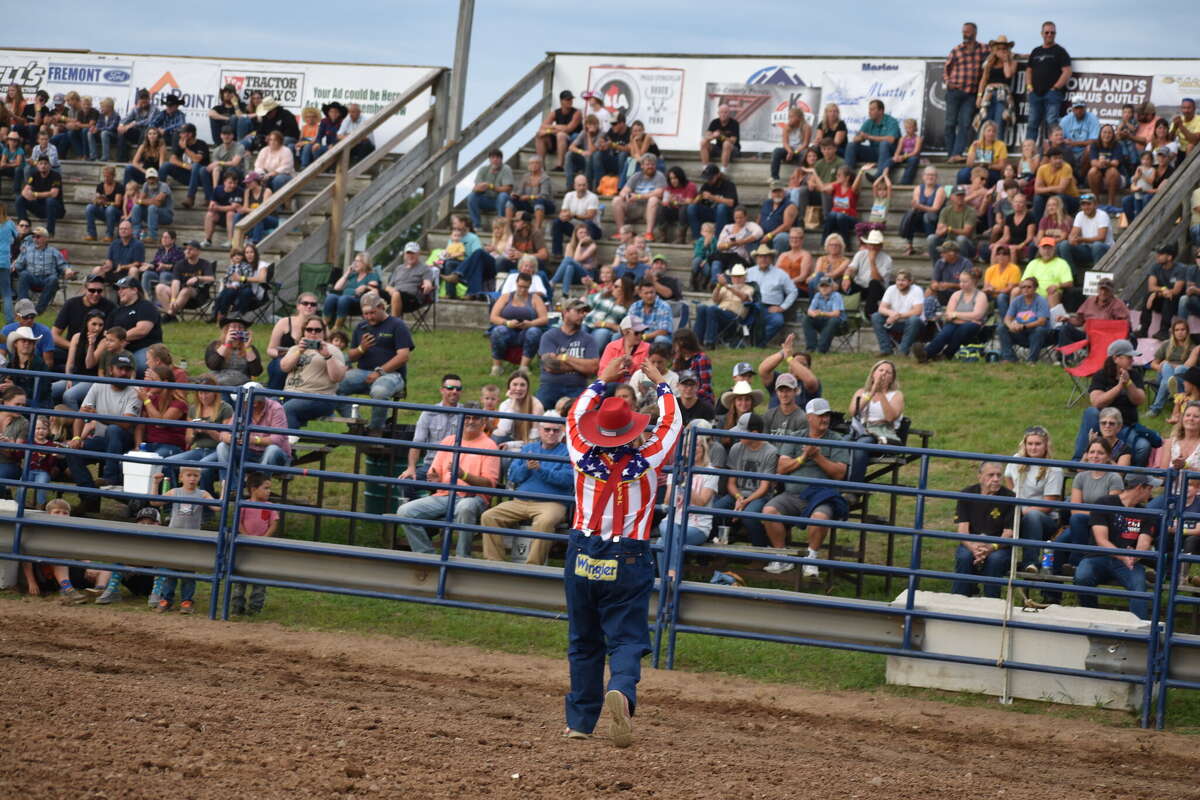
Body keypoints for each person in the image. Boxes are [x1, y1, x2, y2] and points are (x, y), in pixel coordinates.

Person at [561, 353, 680, 746]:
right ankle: (623, 691)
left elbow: (575, 415)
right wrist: (659, 381)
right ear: (632, 430)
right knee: (627, 637)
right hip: (628, 554)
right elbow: (672, 422)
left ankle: (580, 721)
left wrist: (602, 380)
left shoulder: (581, 454)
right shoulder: (647, 461)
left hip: (583, 549)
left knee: (584, 639)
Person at [761, 398, 850, 577]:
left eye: (827, 415)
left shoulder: (837, 439)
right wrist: (804, 456)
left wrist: (817, 457)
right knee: (768, 511)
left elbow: (840, 473)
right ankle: (781, 556)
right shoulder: (795, 437)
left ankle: (811, 558)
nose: (824, 419)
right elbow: (781, 468)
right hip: (792, 494)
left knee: (820, 518)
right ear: (809, 417)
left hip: (822, 496)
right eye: (820, 416)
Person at [395, 402, 499, 558]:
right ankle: (426, 556)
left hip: (474, 498)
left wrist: (463, 476)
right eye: (466, 417)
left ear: (483, 421)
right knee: (404, 512)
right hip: (445, 495)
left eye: (475, 418)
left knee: (465, 507)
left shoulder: (490, 446)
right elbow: (435, 477)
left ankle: (462, 558)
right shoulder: (449, 441)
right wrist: (434, 480)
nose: (470, 421)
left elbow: (489, 484)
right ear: (460, 420)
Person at [481, 414, 573, 565]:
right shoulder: (528, 448)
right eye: (547, 429)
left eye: (555, 430)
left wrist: (540, 470)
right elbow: (513, 477)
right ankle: (494, 563)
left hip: (552, 503)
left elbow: (566, 480)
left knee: (545, 521)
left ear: (561, 432)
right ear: (540, 430)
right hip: (521, 500)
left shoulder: (567, 452)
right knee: (489, 516)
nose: (551, 433)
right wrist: (526, 467)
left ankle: (533, 566)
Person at [1073, 474, 1160, 620]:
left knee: (1139, 586)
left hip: (1128, 561)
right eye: (1149, 488)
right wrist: (1124, 556)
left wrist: (1135, 556)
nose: (1151, 493)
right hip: (1099, 557)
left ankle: (1139, 629)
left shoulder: (1147, 513)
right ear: (1140, 488)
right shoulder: (1104, 503)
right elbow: (1101, 540)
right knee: (1082, 577)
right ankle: (1091, 617)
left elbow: (1144, 542)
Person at [63, 352, 139, 513]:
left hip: (125, 442)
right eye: (120, 369)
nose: (124, 373)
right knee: (72, 450)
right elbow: (81, 414)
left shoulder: (134, 391)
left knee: (114, 430)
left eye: (127, 370)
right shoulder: (98, 385)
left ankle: (109, 478)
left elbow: (126, 424)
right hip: (102, 440)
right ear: (111, 369)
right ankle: (90, 497)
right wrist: (76, 437)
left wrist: (98, 416)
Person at [337, 292, 413, 434]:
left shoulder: (397, 325)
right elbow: (351, 357)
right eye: (365, 314)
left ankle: (375, 430)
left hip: (391, 375)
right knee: (331, 386)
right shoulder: (361, 327)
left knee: (380, 392)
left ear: (382, 307)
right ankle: (357, 425)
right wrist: (361, 349)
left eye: (372, 313)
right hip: (362, 372)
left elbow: (403, 357)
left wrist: (379, 372)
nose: (369, 317)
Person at [1073, 340, 1152, 466]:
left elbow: (1140, 400)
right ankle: (1078, 461)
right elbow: (1096, 402)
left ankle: (1131, 477)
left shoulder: (1134, 375)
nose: (1132, 360)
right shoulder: (1101, 375)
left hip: (1125, 425)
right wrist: (1119, 387)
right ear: (1116, 358)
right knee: (1091, 412)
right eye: (1129, 357)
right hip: (1105, 426)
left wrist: (1129, 383)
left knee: (1143, 446)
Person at [951, 461, 1017, 597]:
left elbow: (1008, 533)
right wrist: (974, 548)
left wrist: (990, 548)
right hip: (971, 542)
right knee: (964, 557)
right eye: (991, 475)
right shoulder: (967, 494)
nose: (996, 479)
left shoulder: (1010, 497)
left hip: (999, 546)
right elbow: (962, 531)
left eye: (999, 475)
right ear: (979, 476)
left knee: (995, 560)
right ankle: (959, 600)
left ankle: (991, 603)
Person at [1003, 425, 1064, 572]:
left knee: (1033, 516)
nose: (1033, 448)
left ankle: (1030, 563)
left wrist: (1023, 511)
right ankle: (998, 560)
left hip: (1045, 519)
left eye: (1038, 444)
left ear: (1045, 445)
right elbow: (1008, 477)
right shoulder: (1016, 459)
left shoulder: (1054, 469)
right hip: (1018, 513)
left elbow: (1048, 504)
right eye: (1030, 444)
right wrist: (1014, 498)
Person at [278, 316, 347, 430]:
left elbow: (337, 377)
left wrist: (327, 356)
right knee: (266, 405)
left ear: (324, 332)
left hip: (320, 398)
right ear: (304, 332)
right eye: (309, 330)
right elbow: (284, 367)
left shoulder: (332, 350)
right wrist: (299, 352)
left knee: (287, 409)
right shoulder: (295, 348)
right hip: (289, 395)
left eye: (317, 330)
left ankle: (287, 446)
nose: (313, 333)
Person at [228, 472, 279, 616]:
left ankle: (255, 607)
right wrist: (246, 537)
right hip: (244, 545)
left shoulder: (270, 506)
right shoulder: (244, 504)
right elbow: (238, 522)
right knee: (240, 577)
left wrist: (264, 539)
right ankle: (237, 606)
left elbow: (273, 524)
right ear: (253, 489)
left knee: (260, 579)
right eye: (266, 488)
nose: (269, 491)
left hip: (261, 547)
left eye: (269, 488)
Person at [537, 299, 601, 410]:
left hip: (577, 388)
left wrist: (564, 357)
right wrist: (580, 366)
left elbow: (593, 368)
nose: (582, 315)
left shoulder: (589, 340)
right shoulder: (549, 336)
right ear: (565, 312)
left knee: (583, 414)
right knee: (536, 412)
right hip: (550, 387)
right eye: (578, 311)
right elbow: (550, 365)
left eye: (584, 312)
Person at [916, 267, 988, 362]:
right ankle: (926, 354)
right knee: (945, 333)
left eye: (965, 282)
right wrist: (963, 317)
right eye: (960, 281)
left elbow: (977, 315)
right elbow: (949, 315)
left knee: (965, 328)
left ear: (974, 281)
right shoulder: (956, 295)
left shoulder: (981, 296)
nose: (961, 284)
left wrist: (956, 315)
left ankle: (946, 355)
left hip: (972, 327)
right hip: (956, 323)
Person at [943, 22, 989, 163]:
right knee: (949, 124)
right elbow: (946, 69)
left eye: (967, 32)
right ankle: (951, 154)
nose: (965, 34)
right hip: (954, 92)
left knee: (965, 123)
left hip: (971, 93)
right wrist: (947, 81)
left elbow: (999, 53)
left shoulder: (983, 49)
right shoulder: (956, 50)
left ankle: (957, 153)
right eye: (963, 31)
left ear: (975, 33)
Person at [488, 271, 549, 376]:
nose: (522, 290)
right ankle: (497, 367)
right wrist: (507, 323)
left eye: (526, 287)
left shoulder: (535, 298)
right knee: (498, 331)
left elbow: (544, 318)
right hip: (508, 329)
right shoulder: (506, 297)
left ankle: (523, 367)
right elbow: (493, 317)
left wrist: (531, 323)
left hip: (527, 330)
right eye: (520, 286)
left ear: (530, 286)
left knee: (534, 332)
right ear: (516, 283)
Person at [105, 276, 162, 376]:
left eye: (123, 288)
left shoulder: (145, 306)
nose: (119, 292)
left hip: (144, 348)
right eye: (118, 289)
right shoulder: (116, 311)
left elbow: (142, 330)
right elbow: (107, 332)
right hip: (119, 350)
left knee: (140, 365)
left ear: (134, 290)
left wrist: (118, 339)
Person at [1025, 21, 1072, 143]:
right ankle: (1028, 154)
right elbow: (1028, 71)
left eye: (1052, 32)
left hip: (1052, 94)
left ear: (1055, 34)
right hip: (1035, 93)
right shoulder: (1035, 51)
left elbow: (1067, 71)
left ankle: (1052, 151)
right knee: (1032, 123)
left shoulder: (1060, 51)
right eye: (1047, 32)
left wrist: (1055, 87)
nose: (1049, 35)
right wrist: (1029, 86)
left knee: (1051, 122)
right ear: (1042, 33)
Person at [12, 225, 74, 314]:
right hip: (32, 278)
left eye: (38, 237)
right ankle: (24, 308)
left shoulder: (53, 251)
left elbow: (63, 264)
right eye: (33, 237)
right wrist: (16, 262)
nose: (35, 239)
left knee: (53, 279)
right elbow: (19, 266)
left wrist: (67, 270)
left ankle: (38, 310)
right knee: (24, 274)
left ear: (45, 238)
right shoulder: (27, 250)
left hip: (48, 280)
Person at [745, 244, 798, 347]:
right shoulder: (748, 272)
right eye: (760, 256)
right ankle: (753, 342)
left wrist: (782, 307)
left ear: (771, 258)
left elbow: (793, 291)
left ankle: (759, 343)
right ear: (756, 258)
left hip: (771, 308)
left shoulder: (780, 274)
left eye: (766, 256)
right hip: (752, 306)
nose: (763, 259)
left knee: (778, 321)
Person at [1055, 276, 1129, 348]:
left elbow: (1124, 325)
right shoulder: (1090, 300)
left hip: (1105, 338)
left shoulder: (1118, 304)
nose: (1103, 293)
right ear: (1097, 290)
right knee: (1065, 329)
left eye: (1106, 290)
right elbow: (1079, 320)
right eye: (1101, 289)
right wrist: (1067, 319)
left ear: (1111, 292)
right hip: (1086, 335)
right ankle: (1064, 358)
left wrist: (1103, 326)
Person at [323, 251, 381, 330]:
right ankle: (324, 325)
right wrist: (347, 273)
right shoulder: (353, 275)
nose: (355, 263)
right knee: (331, 297)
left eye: (358, 261)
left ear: (365, 263)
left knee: (343, 299)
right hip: (344, 301)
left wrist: (366, 287)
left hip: (359, 302)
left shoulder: (372, 275)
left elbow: (375, 292)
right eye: (355, 261)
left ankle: (336, 328)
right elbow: (337, 287)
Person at [1149, 320, 1196, 417]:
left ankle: (1155, 409)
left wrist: (1170, 364)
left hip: (1182, 378)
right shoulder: (1166, 344)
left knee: (1178, 370)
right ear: (1173, 332)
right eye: (1177, 330)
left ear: (1187, 331)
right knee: (1166, 368)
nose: (1180, 332)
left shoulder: (1192, 347)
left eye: (1183, 329)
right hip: (1165, 373)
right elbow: (1153, 364)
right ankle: (1172, 389)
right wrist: (1161, 367)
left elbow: (1189, 368)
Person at [998, 277, 1050, 363]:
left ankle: (1031, 360)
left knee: (1039, 330)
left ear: (1035, 288)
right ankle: (1010, 358)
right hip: (1021, 332)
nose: (1025, 289)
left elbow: (1042, 321)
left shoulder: (1041, 301)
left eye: (1029, 287)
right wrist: (1011, 326)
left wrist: (1024, 326)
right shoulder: (1017, 300)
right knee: (1002, 328)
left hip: (1038, 334)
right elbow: (1007, 319)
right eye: (1023, 287)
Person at [844, 100, 900, 179]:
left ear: (881, 111)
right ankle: (847, 176)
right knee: (851, 145)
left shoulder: (891, 121)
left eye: (872, 109)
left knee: (884, 144)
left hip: (889, 154)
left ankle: (879, 176)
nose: (869, 112)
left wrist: (869, 137)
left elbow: (891, 139)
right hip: (874, 152)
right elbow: (855, 139)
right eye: (869, 109)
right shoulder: (868, 122)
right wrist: (860, 138)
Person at [1059, 193, 1112, 274]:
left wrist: (1081, 239)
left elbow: (1101, 238)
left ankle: (1096, 276)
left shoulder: (1102, 215)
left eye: (1089, 204)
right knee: (1064, 245)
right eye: (1083, 205)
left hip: (1105, 249)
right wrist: (1071, 239)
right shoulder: (1080, 215)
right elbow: (1073, 234)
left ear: (1095, 204)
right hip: (1087, 249)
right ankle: (1072, 276)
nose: (1086, 207)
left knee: (1097, 245)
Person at [978, 35, 1018, 140]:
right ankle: (982, 152)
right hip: (988, 94)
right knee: (984, 121)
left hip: (1003, 95)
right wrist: (979, 96)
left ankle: (997, 153)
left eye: (1004, 48)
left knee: (999, 122)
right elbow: (983, 80)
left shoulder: (1012, 61)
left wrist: (1005, 60)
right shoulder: (989, 62)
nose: (1001, 50)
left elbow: (1008, 75)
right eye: (998, 48)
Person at [899, 167, 946, 257]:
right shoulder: (918, 188)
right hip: (921, 221)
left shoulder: (940, 190)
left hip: (935, 221)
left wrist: (919, 206)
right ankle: (909, 246)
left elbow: (935, 208)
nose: (930, 177)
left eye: (933, 175)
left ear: (936, 177)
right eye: (928, 175)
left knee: (927, 216)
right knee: (911, 214)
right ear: (923, 177)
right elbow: (916, 206)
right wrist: (917, 207)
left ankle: (930, 247)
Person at [553, 174, 602, 259]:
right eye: (579, 185)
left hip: (593, 229)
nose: (582, 187)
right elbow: (564, 212)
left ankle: (586, 254)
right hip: (575, 229)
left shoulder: (593, 197)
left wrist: (573, 215)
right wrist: (563, 216)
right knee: (557, 222)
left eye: (584, 185)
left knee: (588, 223)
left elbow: (590, 215)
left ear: (587, 185)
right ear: (574, 186)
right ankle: (557, 253)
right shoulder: (569, 195)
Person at [205, 317, 264, 386]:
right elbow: (212, 366)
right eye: (234, 327)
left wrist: (247, 348)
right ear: (226, 330)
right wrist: (226, 344)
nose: (237, 330)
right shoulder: (215, 345)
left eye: (240, 327)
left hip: (241, 385)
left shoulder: (250, 348)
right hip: (219, 384)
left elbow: (256, 372)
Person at [686, 164, 738, 241]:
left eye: (711, 178)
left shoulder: (729, 185)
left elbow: (731, 202)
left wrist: (712, 197)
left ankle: (718, 239)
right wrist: (697, 199)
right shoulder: (706, 186)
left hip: (726, 214)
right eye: (707, 179)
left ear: (718, 175)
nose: (709, 181)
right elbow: (694, 203)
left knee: (721, 207)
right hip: (711, 212)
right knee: (691, 208)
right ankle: (698, 239)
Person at [15, 156, 63, 235]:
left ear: (50, 166)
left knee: (50, 200)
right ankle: (24, 227)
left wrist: (35, 194)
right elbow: (24, 191)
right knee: (20, 199)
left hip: (56, 210)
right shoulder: (34, 175)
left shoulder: (56, 176)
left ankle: (49, 232)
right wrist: (28, 194)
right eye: (41, 164)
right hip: (41, 209)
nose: (43, 166)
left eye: (45, 164)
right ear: (37, 166)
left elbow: (54, 194)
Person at [927, 186, 976, 263]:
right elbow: (938, 231)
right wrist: (941, 231)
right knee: (931, 238)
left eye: (962, 195)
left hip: (968, 244)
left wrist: (949, 229)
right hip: (948, 242)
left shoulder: (971, 211)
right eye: (958, 195)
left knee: (961, 239)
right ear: (951, 197)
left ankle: (964, 267)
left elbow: (967, 232)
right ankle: (937, 266)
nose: (960, 197)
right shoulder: (945, 210)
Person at [468, 148, 514, 230]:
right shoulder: (483, 169)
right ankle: (476, 226)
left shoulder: (506, 168)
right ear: (489, 159)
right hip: (486, 200)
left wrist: (491, 186)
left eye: (497, 157)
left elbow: (508, 188)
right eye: (492, 157)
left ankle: (500, 226)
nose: (495, 160)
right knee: (472, 196)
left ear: (501, 159)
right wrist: (479, 188)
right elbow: (475, 188)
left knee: (503, 196)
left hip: (499, 201)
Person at [1022, 238, 1073, 310]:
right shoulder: (1033, 263)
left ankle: (1054, 320)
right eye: (1044, 248)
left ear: (1054, 249)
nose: (1046, 251)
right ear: (1039, 249)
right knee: (1016, 291)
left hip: (1052, 293)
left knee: (1053, 294)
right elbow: (1023, 281)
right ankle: (1013, 318)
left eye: (1049, 248)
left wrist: (1057, 285)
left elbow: (1069, 283)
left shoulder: (1062, 263)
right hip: (1033, 293)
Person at [506, 154, 554, 229]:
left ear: (541, 165)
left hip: (546, 205)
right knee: (511, 200)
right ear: (528, 165)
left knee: (539, 201)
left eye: (536, 163)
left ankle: (537, 229)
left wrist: (529, 197)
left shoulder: (545, 178)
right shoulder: (525, 177)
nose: (534, 165)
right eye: (531, 163)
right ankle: (508, 227)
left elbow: (544, 196)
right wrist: (515, 194)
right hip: (529, 205)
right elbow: (520, 192)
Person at [801, 275, 845, 354]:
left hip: (838, 324)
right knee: (807, 319)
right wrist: (813, 314)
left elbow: (836, 314)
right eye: (822, 286)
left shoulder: (836, 296)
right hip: (822, 321)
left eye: (827, 286)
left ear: (832, 287)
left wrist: (821, 313)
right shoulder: (817, 295)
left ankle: (821, 350)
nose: (824, 288)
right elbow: (810, 311)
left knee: (833, 320)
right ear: (819, 288)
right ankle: (811, 348)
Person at [129, 168, 174, 244]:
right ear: (146, 179)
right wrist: (147, 201)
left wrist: (143, 201)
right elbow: (138, 201)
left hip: (166, 216)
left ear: (157, 178)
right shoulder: (146, 185)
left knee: (152, 207)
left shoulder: (164, 186)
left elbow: (157, 203)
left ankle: (152, 236)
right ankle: (135, 233)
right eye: (149, 178)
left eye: (153, 178)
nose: (151, 181)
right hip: (152, 215)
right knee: (136, 207)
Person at [1032, 147, 1080, 220]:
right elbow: (1037, 190)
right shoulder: (1042, 169)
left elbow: (1061, 189)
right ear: (1049, 160)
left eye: (1060, 158)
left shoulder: (1066, 167)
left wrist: (1046, 189)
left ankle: (1062, 225)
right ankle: (1039, 226)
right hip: (1051, 197)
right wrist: (1053, 189)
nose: (1058, 161)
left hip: (1071, 200)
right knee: (1038, 198)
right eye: (1055, 158)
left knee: (1059, 197)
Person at [956, 121, 1008, 186]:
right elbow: (969, 164)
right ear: (983, 132)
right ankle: (962, 192)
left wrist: (988, 165)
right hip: (976, 168)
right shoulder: (976, 143)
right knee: (963, 174)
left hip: (991, 169)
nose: (991, 133)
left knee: (985, 176)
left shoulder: (1001, 145)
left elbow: (1002, 165)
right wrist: (974, 150)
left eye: (993, 131)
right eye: (989, 131)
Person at [94, 219, 146, 285]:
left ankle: (131, 292)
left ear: (131, 230)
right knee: (97, 269)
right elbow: (109, 260)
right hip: (114, 271)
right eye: (121, 229)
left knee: (134, 270)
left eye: (125, 229)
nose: (123, 230)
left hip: (128, 273)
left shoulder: (138, 244)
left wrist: (122, 267)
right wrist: (107, 265)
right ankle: (96, 292)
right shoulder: (114, 243)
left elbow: (138, 263)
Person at [771, 107, 812, 180]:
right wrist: (790, 151)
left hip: (800, 150)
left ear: (799, 118)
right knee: (777, 151)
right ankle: (774, 177)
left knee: (805, 153)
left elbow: (805, 144)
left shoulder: (806, 127)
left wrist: (795, 152)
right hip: (789, 150)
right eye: (789, 116)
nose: (789, 118)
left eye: (792, 116)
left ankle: (800, 177)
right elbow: (785, 143)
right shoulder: (786, 127)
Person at [84, 165, 123, 243]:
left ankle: (109, 235)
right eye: (104, 176)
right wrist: (97, 201)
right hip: (103, 211)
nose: (106, 179)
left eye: (108, 177)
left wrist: (105, 203)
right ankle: (92, 234)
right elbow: (96, 199)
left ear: (113, 176)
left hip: (115, 213)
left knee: (110, 209)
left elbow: (118, 203)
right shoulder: (100, 186)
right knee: (89, 207)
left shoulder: (119, 186)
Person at [929, 240, 973, 306]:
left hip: (960, 292)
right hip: (943, 292)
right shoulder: (940, 262)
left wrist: (950, 285)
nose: (941, 255)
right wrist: (935, 285)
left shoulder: (966, 263)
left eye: (943, 253)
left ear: (952, 253)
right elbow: (934, 280)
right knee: (929, 290)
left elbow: (970, 286)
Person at [984, 245, 1022, 317]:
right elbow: (986, 287)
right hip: (992, 295)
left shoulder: (1014, 269)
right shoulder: (990, 270)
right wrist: (988, 289)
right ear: (995, 256)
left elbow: (1009, 289)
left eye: (1004, 254)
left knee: (1001, 296)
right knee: (982, 295)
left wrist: (994, 291)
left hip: (1007, 297)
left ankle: (1005, 321)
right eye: (998, 253)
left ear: (1009, 257)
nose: (1001, 256)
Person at [699, 103, 740, 169]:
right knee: (703, 142)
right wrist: (713, 136)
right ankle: (705, 168)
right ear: (718, 113)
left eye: (725, 112)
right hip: (719, 149)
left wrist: (721, 136)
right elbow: (706, 137)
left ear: (729, 113)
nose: (723, 114)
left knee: (726, 144)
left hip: (733, 150)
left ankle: (723, 170)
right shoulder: (714, 122)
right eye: (721, 112)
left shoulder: (734, 123)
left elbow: (733, 141)